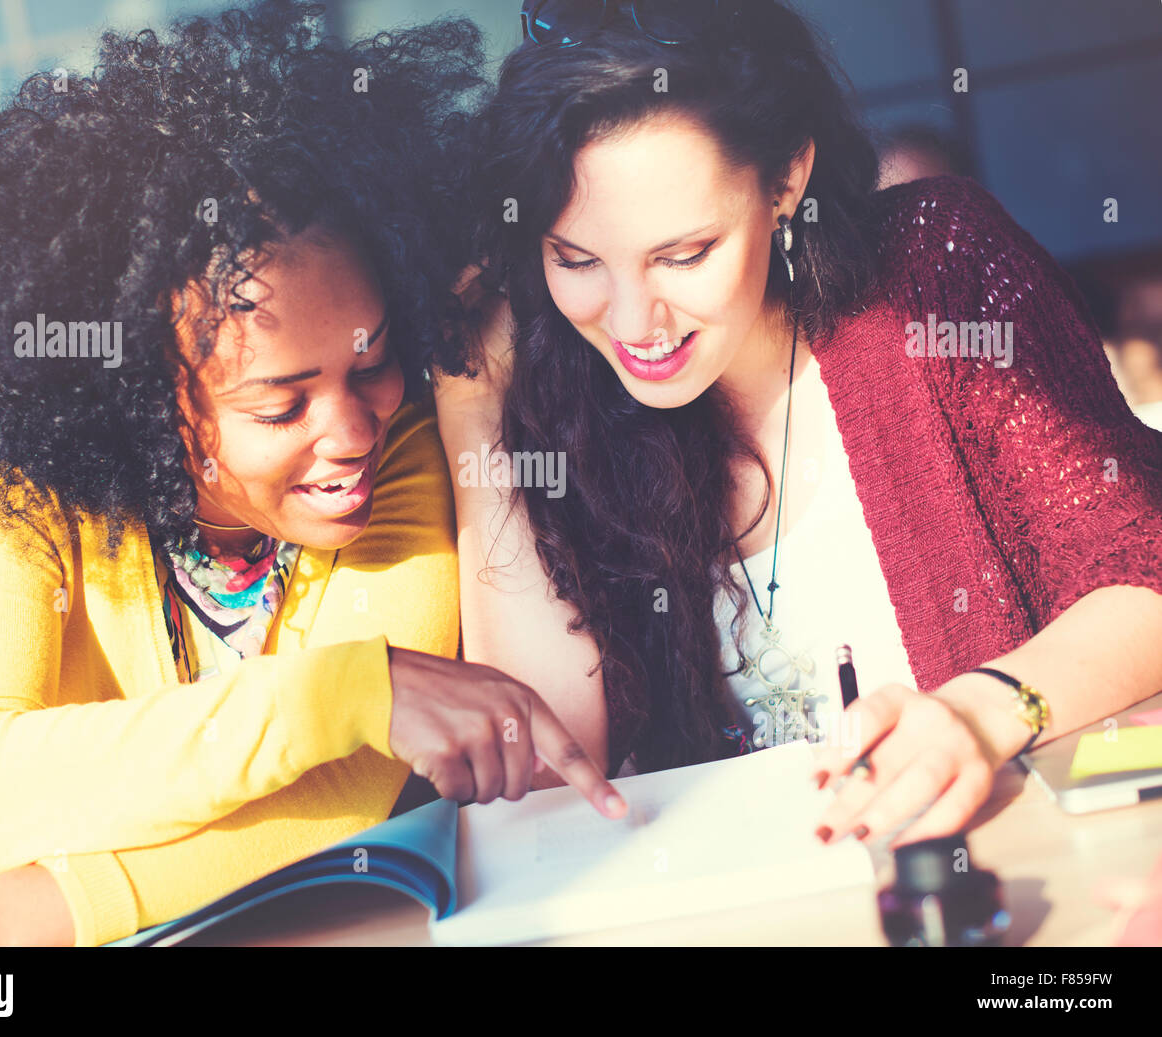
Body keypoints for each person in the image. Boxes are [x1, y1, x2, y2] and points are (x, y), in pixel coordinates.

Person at [0, 0, 621, 948]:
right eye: (280, 406)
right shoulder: (11, 466)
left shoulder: (409, 446)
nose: (352, 431)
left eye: (370, 359)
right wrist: (346, 695)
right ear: (145, 401)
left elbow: (347, 799)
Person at [435, 0, 1162, 859]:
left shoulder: (935, 272)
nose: (634, 322)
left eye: (684, 254)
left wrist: (977, 711)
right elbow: (552, 770)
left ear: (785, 180)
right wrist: (474, 400)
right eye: (577, 259)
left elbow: (1141, 571)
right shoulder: (561, 389)